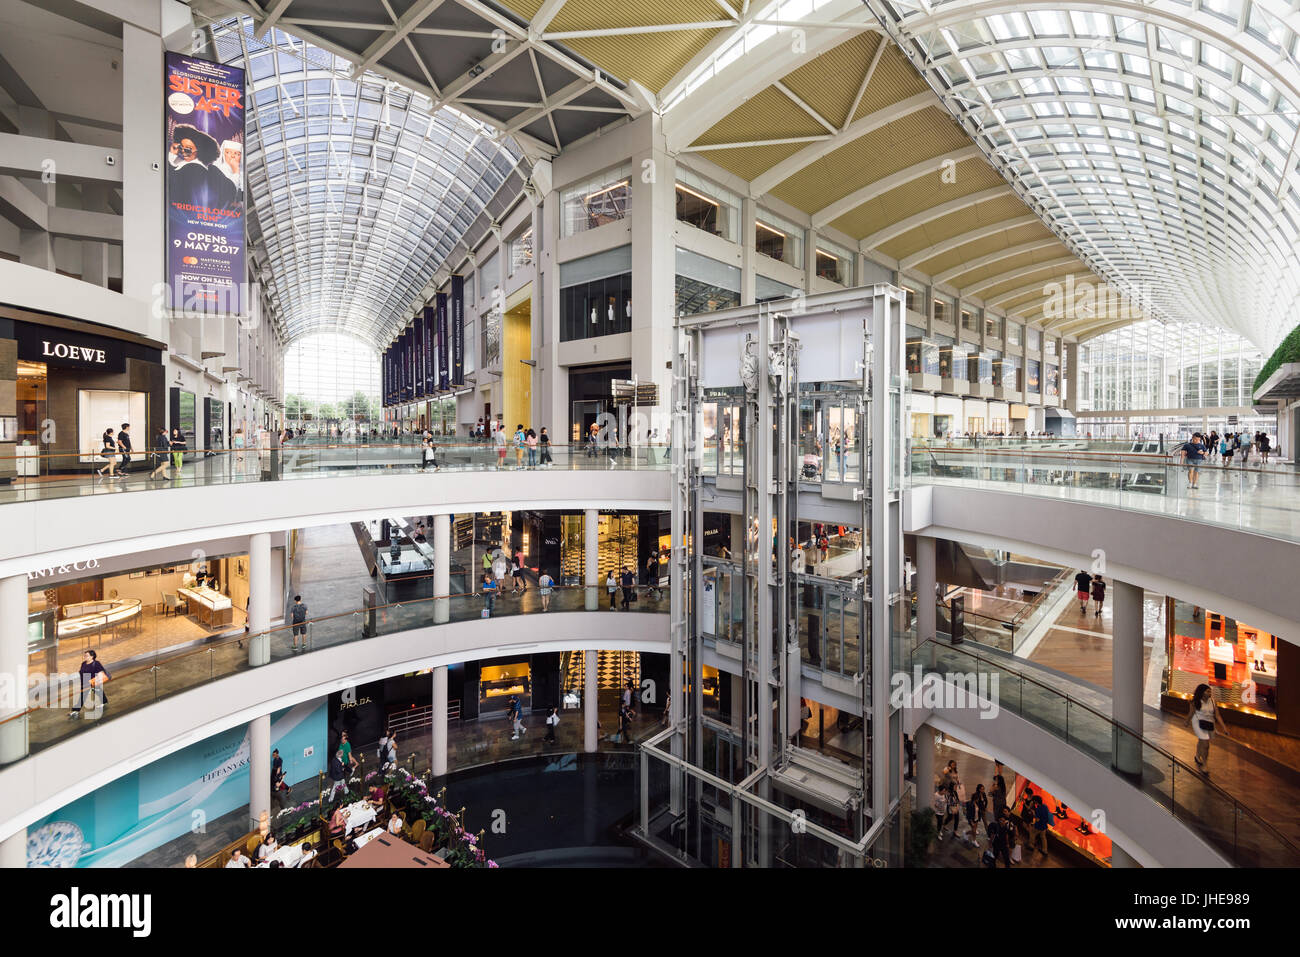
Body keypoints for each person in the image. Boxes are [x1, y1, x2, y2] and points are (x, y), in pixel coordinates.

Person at [1187, 683, 1227, 774]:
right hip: (1198, 722)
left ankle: (1197, 756)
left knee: (1202, 740)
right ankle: (1205, 764)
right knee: (1205, 744)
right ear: (1202, 692)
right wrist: (1187, 721)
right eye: (1208, 691)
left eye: (1210, 691)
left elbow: (1217, 715)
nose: (1210, 693)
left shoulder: (1212, 701)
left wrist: (1224, 728)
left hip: (1209, 723)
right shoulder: (1195, 702)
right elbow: (1191, 713)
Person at [68, 649, 111, 718]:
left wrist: (96, 680)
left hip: (93, 682)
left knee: (83, 697)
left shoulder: (96, 663)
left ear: (92, 656)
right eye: (84, 656)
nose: (85, 657)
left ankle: (75, 711)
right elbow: (81, 672)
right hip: (84, 683)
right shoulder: (83, 663)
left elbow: (101, 672)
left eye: (87, 656)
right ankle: (104, 701)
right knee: (98, 692)